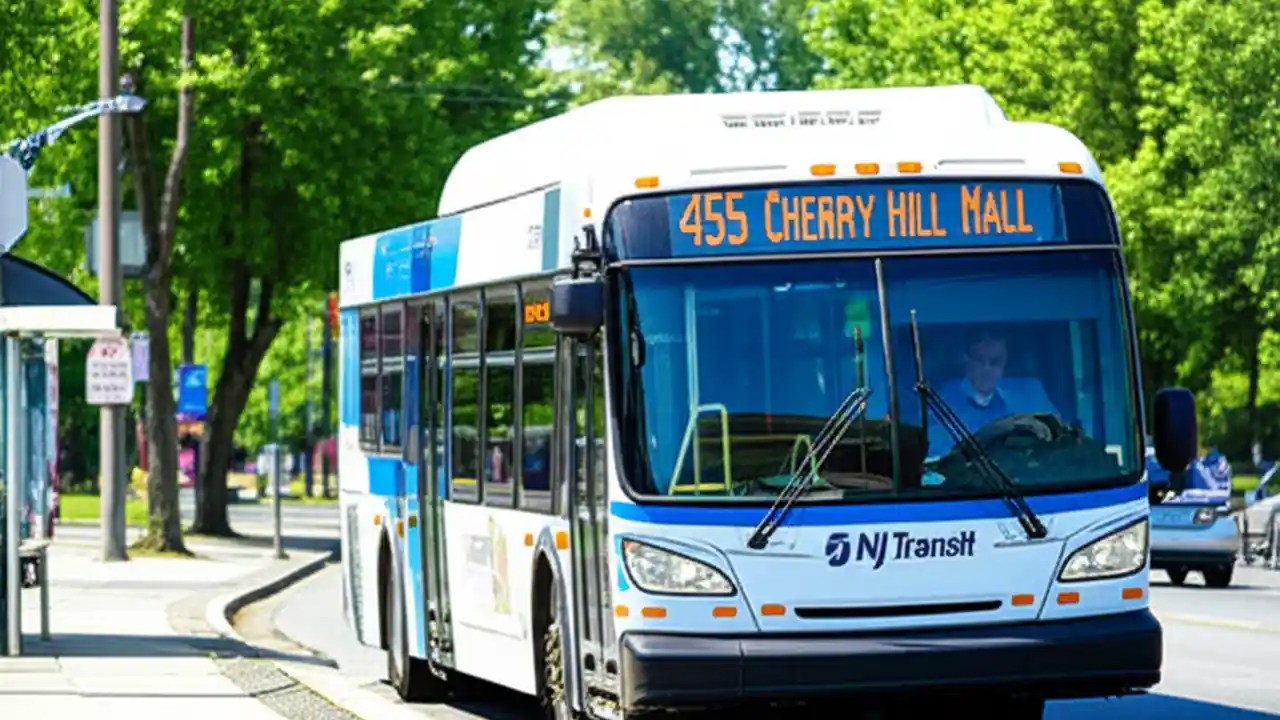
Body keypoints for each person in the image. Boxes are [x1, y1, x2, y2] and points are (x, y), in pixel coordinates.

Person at [928, 327, 1060, 456]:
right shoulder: (938, 401)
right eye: (979, 360)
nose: (987, 368)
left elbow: (1059, 436)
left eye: (995, 361)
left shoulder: (1031, 392)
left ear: (1005, 361)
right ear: (965, 359)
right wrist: (1003, 427)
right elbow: (937, 454)